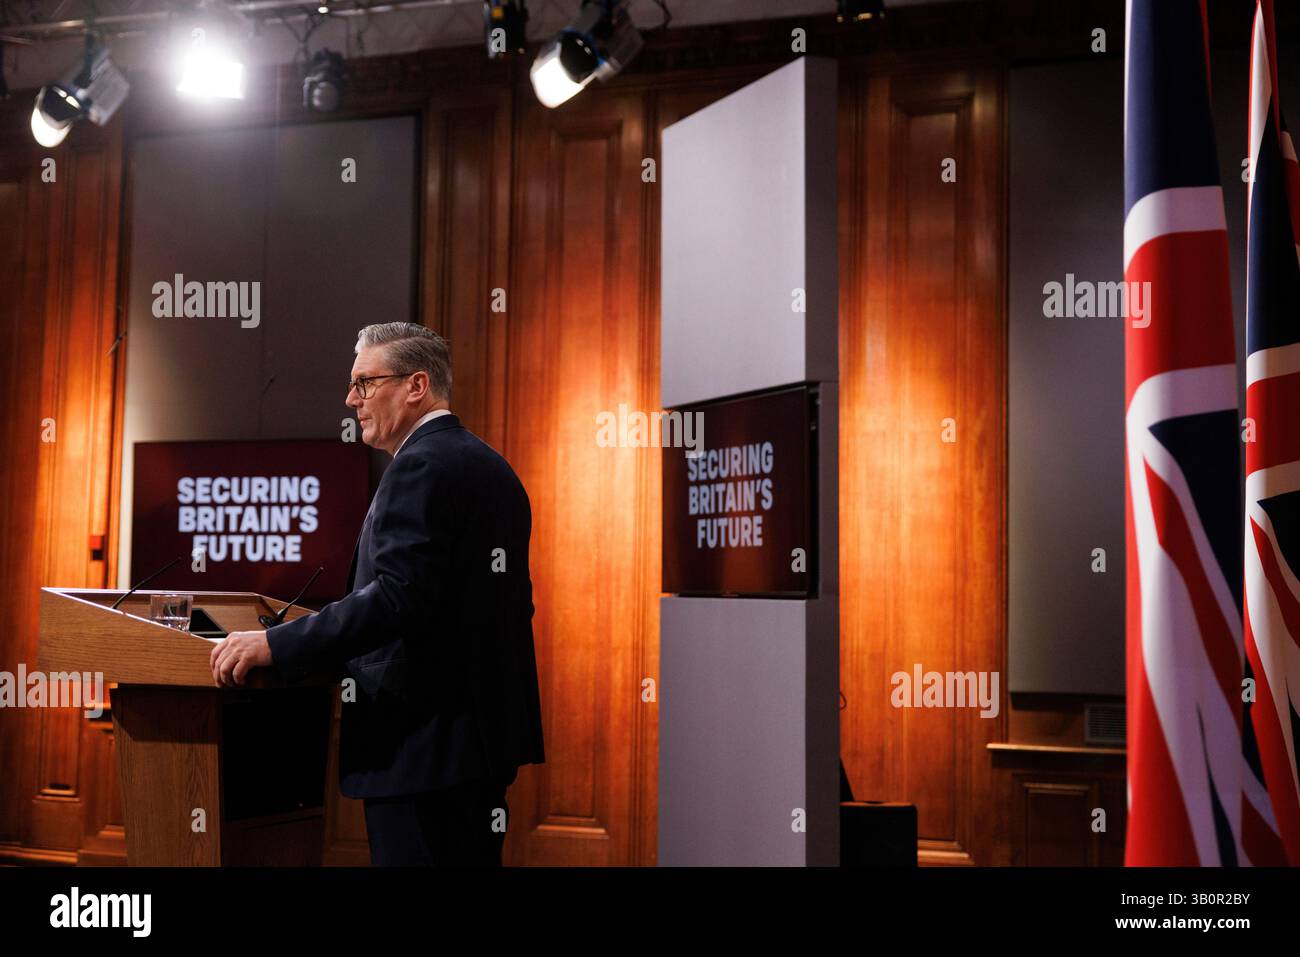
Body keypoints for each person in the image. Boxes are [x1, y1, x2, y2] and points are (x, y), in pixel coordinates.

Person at [210, 321, 545, 866]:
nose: (351, 400)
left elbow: (396, 597)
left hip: (421, 746)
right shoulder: (489, 465)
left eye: (365, 383)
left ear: (416, 386)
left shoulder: (420, 465)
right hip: (474, 744)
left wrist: (277, 645)